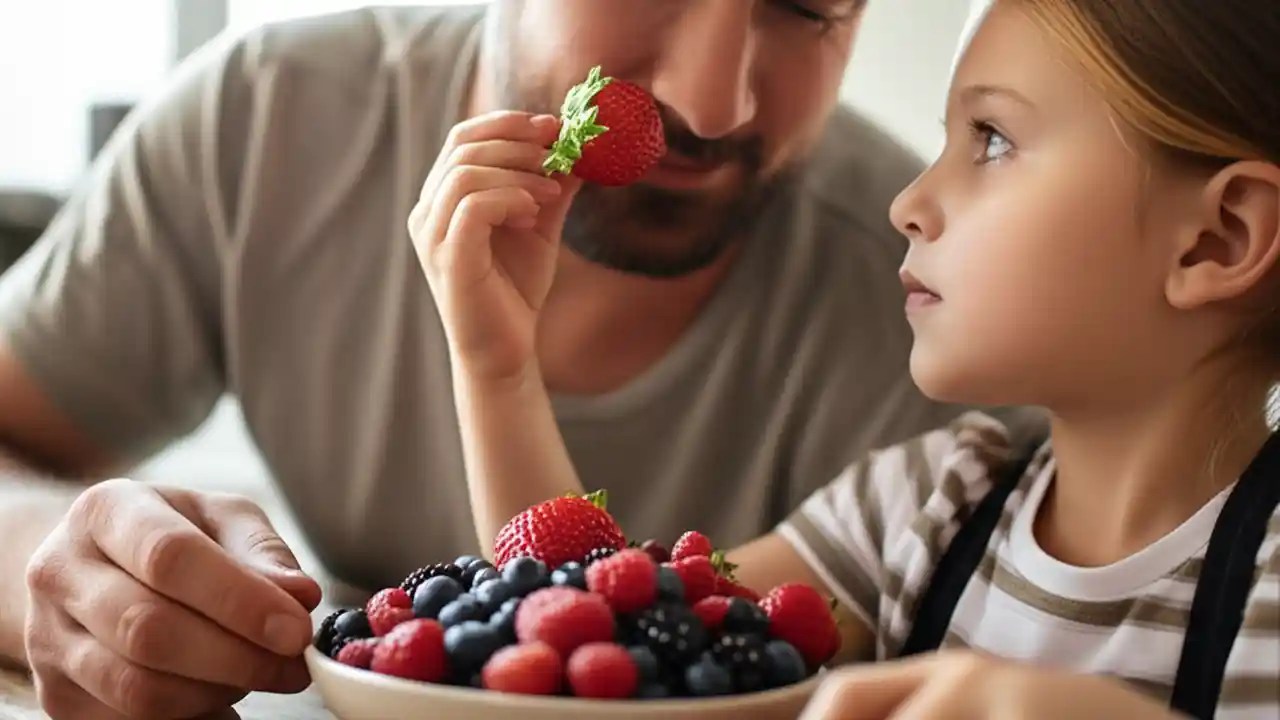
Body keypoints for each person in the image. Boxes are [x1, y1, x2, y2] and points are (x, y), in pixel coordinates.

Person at [0, 1, 1011, 717]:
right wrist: (56, 564)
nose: (711, 101)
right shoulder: (258, 119)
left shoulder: (945, 290)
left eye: (805, 6)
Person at [417, 0, 1280, 718]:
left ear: (1216, 238)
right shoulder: (914, 511)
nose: (908, 202)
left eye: (990, 140)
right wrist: (498, 369)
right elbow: (601, 656)